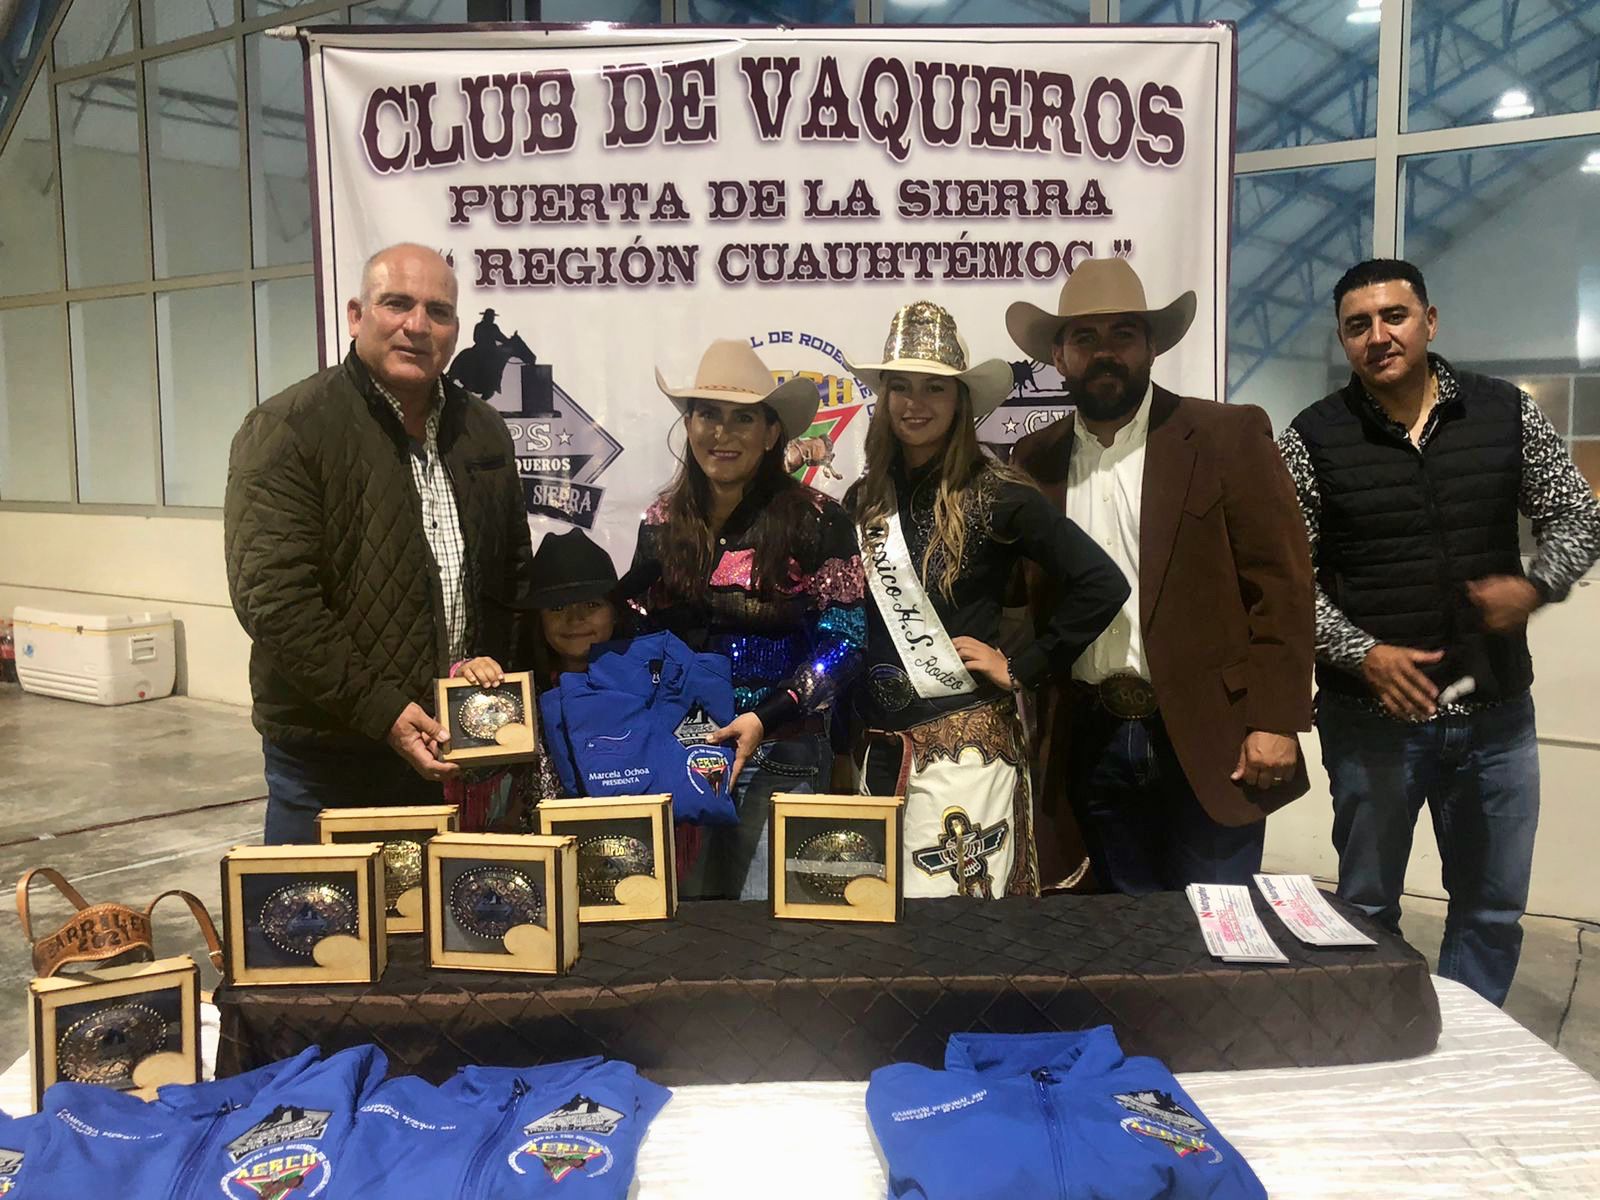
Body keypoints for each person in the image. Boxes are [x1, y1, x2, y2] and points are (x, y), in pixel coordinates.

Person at [1278, 258, 1600, 1005]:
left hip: (1496, 720)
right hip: (1373, 723)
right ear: (1342, 338)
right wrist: (1363, 653)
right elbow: (1288, 579)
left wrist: (1537, 583)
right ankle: (1376, 1039)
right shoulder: (1312, 437)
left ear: (1430, 321)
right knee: (1364, 909)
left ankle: (1469, 1049)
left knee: (1491, 911)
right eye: (1358, 325)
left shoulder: (1503, 413)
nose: (1378, 336)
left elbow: (1580, 515)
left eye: (1394, 316)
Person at [1007, 257, 1315, 894]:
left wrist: (1276, 720)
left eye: (1123, 334)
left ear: (1151, 347)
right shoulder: (1033, 458)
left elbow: (1282, 586)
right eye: (1084, 339)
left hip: (1211, 739)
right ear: (1059, 356)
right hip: (1083, 738)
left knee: (1217, 936)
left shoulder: (1226, 434)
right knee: (1108, 941)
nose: (1104, 353)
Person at [224, 243, 533, 843]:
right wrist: (383, 712)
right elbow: (276, 601)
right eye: (397, 304)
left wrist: (503, 704)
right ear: (356, 315)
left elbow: (512, 580)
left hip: (461, 750)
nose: (417, 325)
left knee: (454, 934)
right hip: (332, 760)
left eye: (438, 312)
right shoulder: (287, 429)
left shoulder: (483, 430)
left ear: (456, 330)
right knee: (318, 935)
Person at [844, 301, 1128, 898]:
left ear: (960, 401)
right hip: (878, 750)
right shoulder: (864, 498)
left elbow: (1103, 582)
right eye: (900, 386)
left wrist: (1024, 666)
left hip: (964, 752)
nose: (914, 404)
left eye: (934, 389)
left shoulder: (998, 492)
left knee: (961, 931)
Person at [622, 339, 867, 900]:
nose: (721, 433)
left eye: (742, 418)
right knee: (687, 933)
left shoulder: (817, 520)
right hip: (682, 757)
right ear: (688, 425)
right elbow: (640, 632)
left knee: (776, 944)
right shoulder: (662, 522)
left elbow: (846, 641)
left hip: (784, 751)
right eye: (707, 414)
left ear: (772, 433)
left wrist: (766, 715)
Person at [449, 527, 623, 831]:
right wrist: (469, 688)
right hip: (540, 850)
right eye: (557, 608)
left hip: (627, 844)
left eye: (591, 605)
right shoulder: (519, 696)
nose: (574, 619)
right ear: (539, 619)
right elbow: (473, 776)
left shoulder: (651, 685)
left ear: (615, 612)